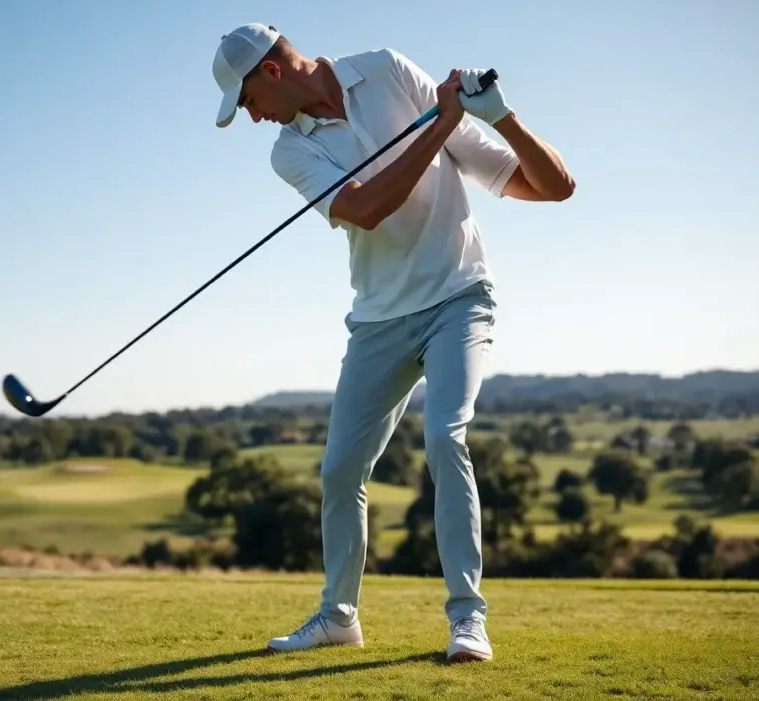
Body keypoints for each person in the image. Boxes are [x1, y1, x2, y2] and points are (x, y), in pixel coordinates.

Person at [211, 23, 575, 662]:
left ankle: (468, 620)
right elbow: (368, 206)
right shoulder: (288, 152)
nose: (251, 117)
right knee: (340, 471)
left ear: (270, 72)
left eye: (246, 101)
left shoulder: (385, 70)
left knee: (445, 436)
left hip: (459, 299)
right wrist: (440, 120)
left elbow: (552, 186)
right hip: (378, 320)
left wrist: (502, 118)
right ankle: (338, 617)